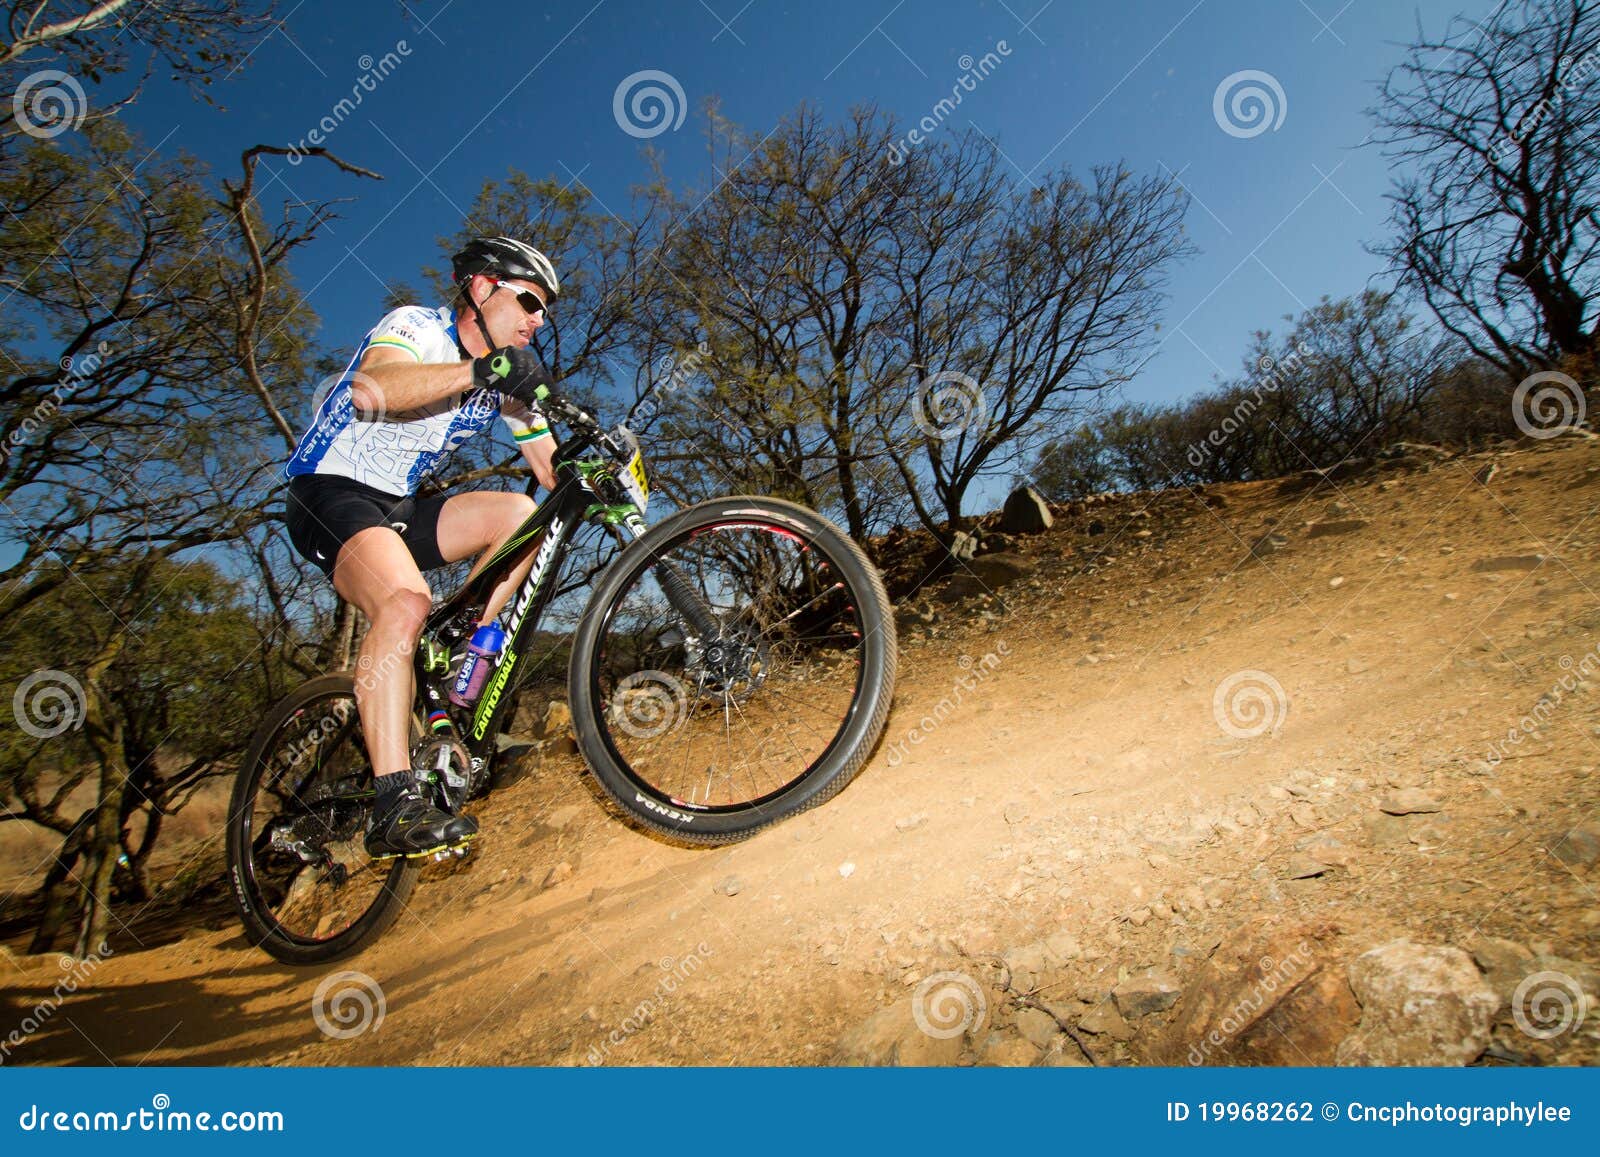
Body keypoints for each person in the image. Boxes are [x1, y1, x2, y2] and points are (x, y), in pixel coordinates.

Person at [283, 236, 561, 859]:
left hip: (400, 510)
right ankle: (391, 805)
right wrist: (484, 372)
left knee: (521, 516)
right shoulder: (417, 326)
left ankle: (465, 650)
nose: (538, 320)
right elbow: (373, 388)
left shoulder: (505, 379)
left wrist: (606, 467)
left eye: (545, 311)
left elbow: (549, 468)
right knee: (405, 601)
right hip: (329, 495)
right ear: (482, 288)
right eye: (529, 301)